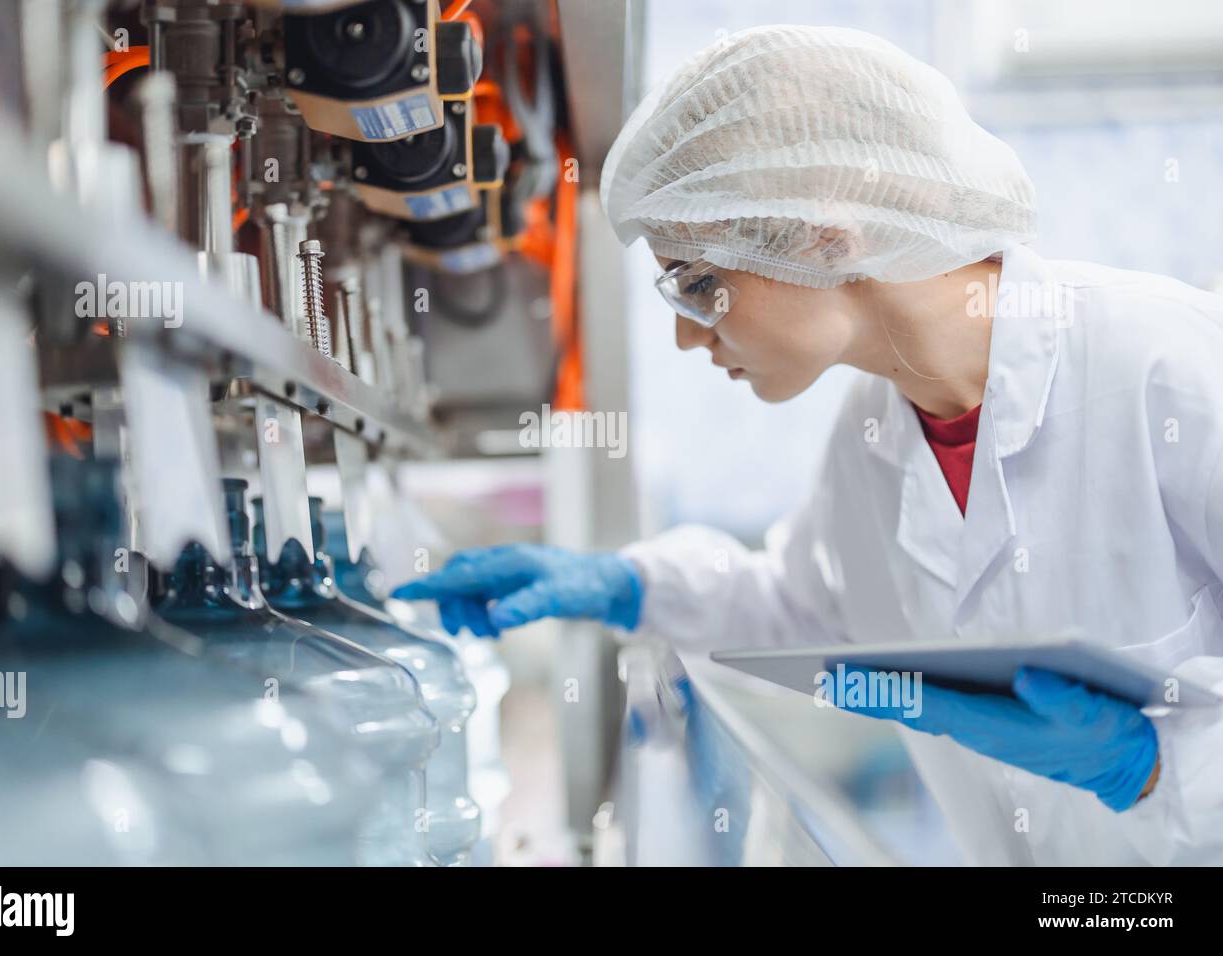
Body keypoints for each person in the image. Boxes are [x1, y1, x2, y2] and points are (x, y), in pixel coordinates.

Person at [393, 25, 1223, 865]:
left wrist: (1154, 769)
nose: (689, 337)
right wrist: (625, 584)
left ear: (829, 232)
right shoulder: (875, 433)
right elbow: (808, 607)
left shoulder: (1172, 368)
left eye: (699, 283)